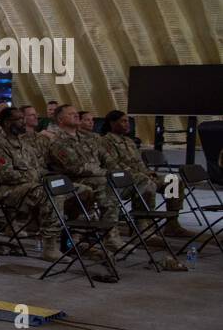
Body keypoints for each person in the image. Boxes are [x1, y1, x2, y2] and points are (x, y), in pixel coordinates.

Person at [0, 106, 66, 261]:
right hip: (7, 191)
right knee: (47, 193)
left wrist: (54, 177)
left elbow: (37, 168)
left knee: (69, 188)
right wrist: (33, 177)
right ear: (8, 123)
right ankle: (50, 247)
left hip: (29, 186)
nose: (24, 122)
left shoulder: (24, 144)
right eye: (20, 119)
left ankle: (68, 236)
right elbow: (5, 175)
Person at [102, 109, 188, 238]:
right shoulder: (106, 141)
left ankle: (172, 223)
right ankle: (144, 226)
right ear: (112, 123)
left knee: (174, 180)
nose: (127, 124)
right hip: (123, 181)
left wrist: (147, 172)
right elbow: (115, 165)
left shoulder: (129, 141)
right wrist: (142, 175)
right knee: (146, 183)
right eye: (123, 121)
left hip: (142, 176)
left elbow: (139, 162)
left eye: (127, 121)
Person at [46, 104, 121, 249]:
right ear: (60, 119)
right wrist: (104, 172)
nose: (76, 115)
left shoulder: (85, 139)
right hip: (70, 180)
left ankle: (96, 234)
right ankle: (109, 235)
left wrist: (112, 171)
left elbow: (102, 159)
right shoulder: (58, 141)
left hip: (92, 178)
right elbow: (76, 168)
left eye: (76, 113)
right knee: (105, 183)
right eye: (71, 114)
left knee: (110, 181)